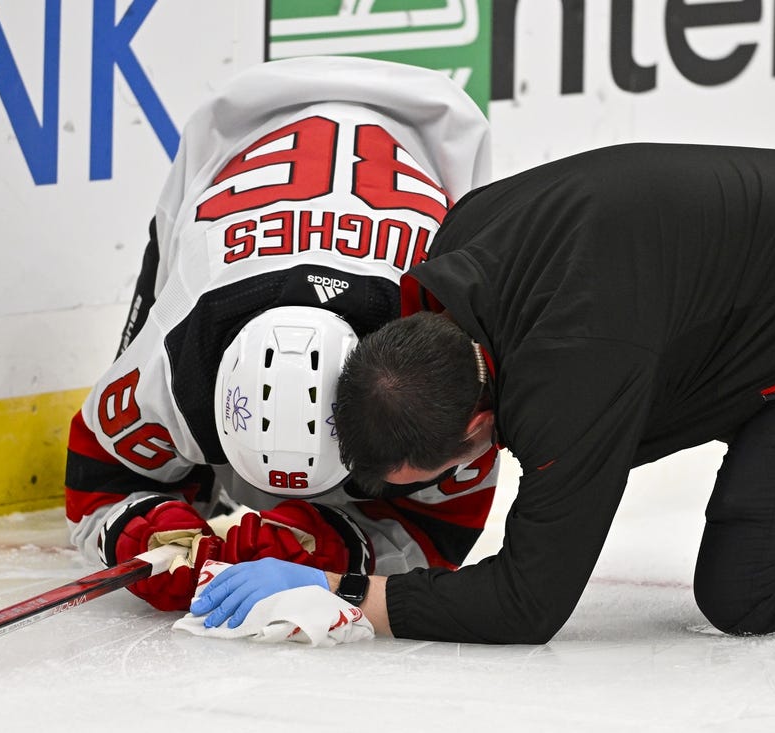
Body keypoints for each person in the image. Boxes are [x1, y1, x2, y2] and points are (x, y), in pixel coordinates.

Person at [189, 143, 775, 643]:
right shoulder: (459, 251)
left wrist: (341, 590)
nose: (443, 481)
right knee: (769, 530)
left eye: (440, 468)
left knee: (752, 583)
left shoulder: (572, 371)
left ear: (478, 423)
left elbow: (529, 601)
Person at [63, 55, 499, 613]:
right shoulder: (173, 363)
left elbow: (443, 533)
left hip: (438, 136)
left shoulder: (436, 349)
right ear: (210, 406)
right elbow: (99, 474)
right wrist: (147, 532)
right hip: (230, 135)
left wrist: (324, 542)